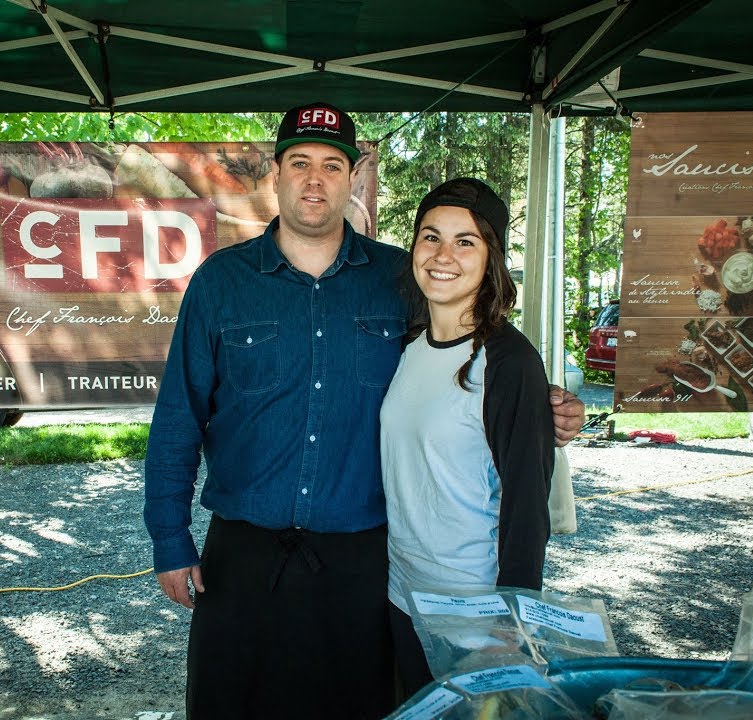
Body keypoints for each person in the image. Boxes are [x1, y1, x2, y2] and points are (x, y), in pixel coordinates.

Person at [143, 102, 585, 719]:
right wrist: (169, 536)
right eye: (300, 163)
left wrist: (546, 408)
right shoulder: (222, 282)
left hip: (359, 561)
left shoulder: (397, 279)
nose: (316, 180)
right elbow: (178, 418)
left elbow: (465, 353)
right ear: (276, 173)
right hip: (241, 555)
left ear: (354, 177)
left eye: (333, 164)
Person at [381, 177, 556, 700]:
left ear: (491, 257)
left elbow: (528, 506)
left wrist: (512, 619)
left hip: (473, 610)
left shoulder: (508, 361)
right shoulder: (409, 346)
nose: (443, 255)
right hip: (401, 592)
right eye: (430, 237)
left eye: (465, 241)